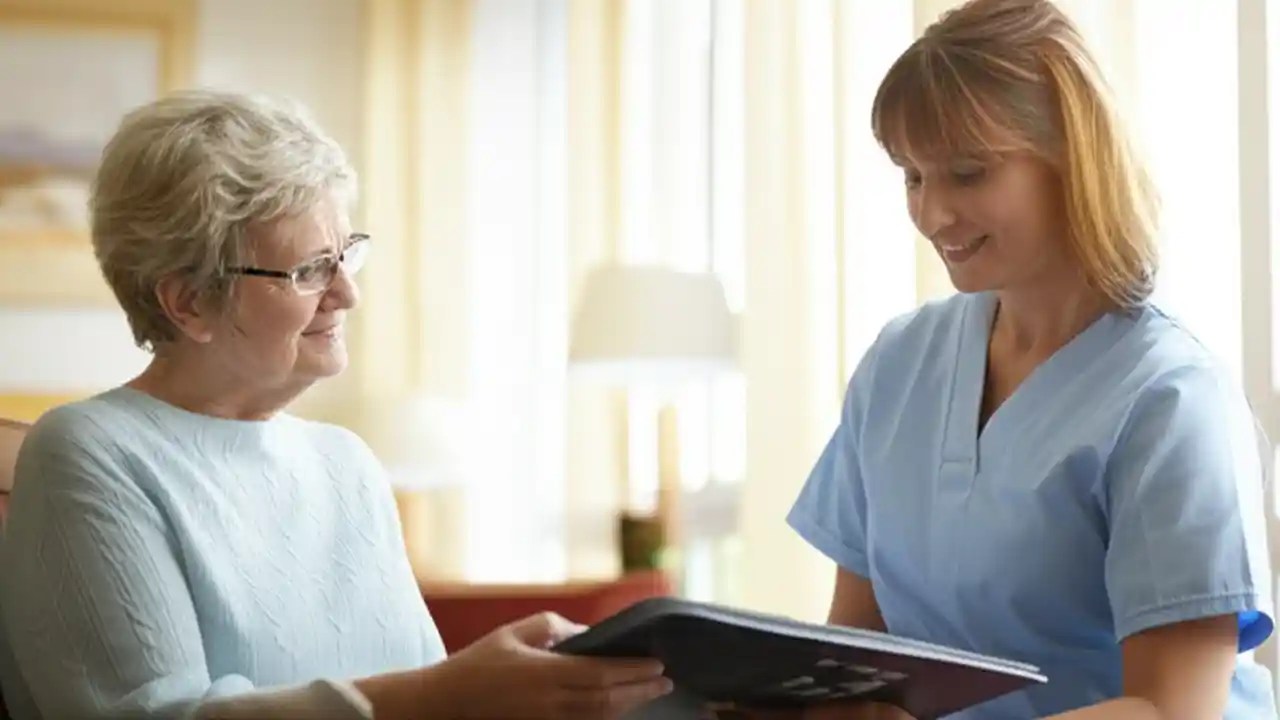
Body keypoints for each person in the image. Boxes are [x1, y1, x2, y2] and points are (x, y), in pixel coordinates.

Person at [0, 90, 673, 720]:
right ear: (188, 301)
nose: (347, 294)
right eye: (308, 270)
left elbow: (430, 698)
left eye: (346, 254)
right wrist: (451, 689)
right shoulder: (89, 451)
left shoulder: (344, 463)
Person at [780, 0, 1277, 718]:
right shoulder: (899, 366)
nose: (931, 214)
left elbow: (1173, 710)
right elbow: (858, 656)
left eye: (968, 173)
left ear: (1071, 158)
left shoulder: (1169, 398)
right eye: (913, 177)